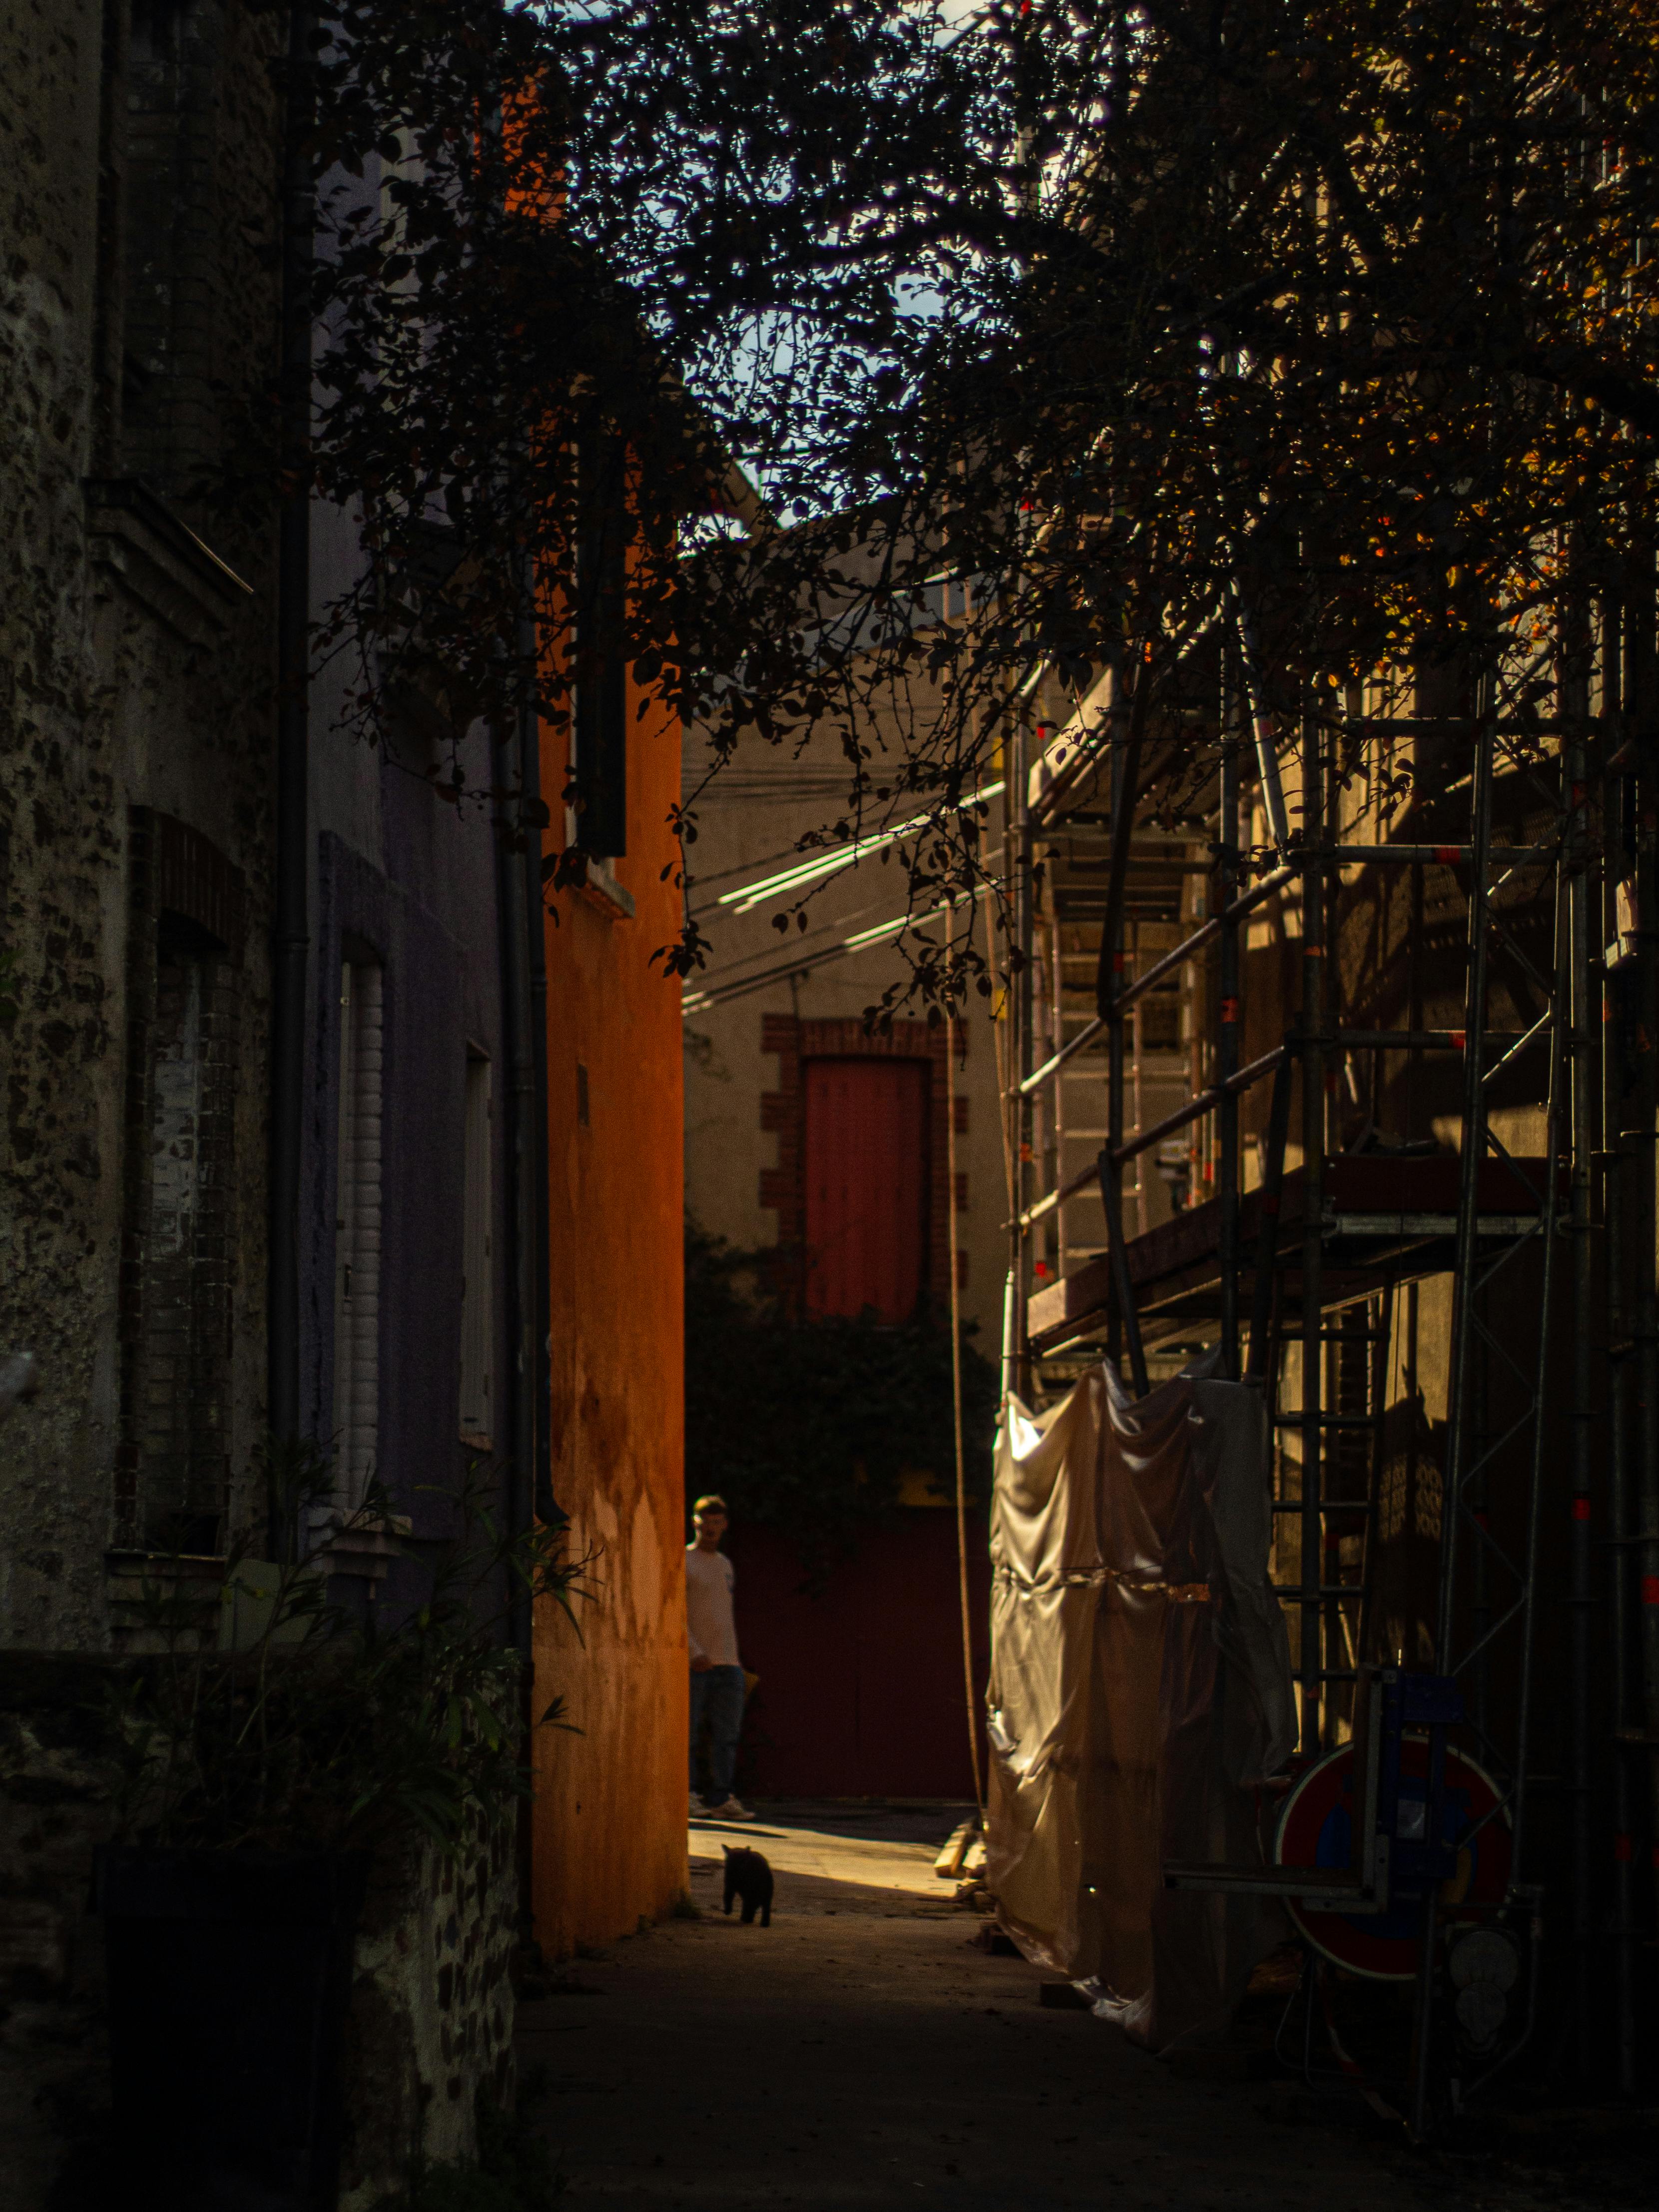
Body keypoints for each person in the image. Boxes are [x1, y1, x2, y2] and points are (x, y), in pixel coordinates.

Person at [685, 1494, 754, 1821]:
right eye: (705, 1522)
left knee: (726, 1738)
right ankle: (687, 1796)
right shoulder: (683, 1561)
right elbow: (674, 1613)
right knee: (690, 1734)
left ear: (724, 1525)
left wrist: (734, 1661)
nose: (711, 1529)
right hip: (697, 1665)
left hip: (729, 1665)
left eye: (716, 1523)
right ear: (694, 1523)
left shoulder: (725, 1564)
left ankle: (721, 1798)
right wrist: (693, 1652)